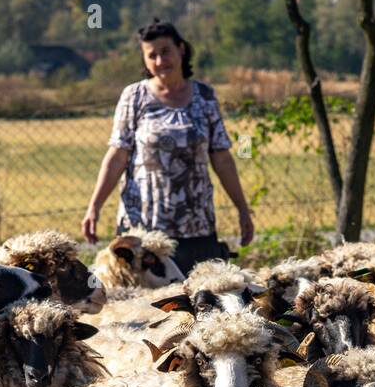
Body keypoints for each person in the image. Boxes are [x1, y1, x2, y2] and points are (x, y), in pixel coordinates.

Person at [81, 19, 254, 276]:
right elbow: (117, 155)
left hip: (197, 227)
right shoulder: (134, 97)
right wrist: (94, 206)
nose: (160, 61)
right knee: (145, 307)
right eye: (152, 55)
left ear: (181, 49)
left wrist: (242, 208)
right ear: (144, 60)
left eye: (165, 51)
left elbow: (222, 158)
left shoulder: (205, 97)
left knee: (202, 301)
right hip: (144, 231)